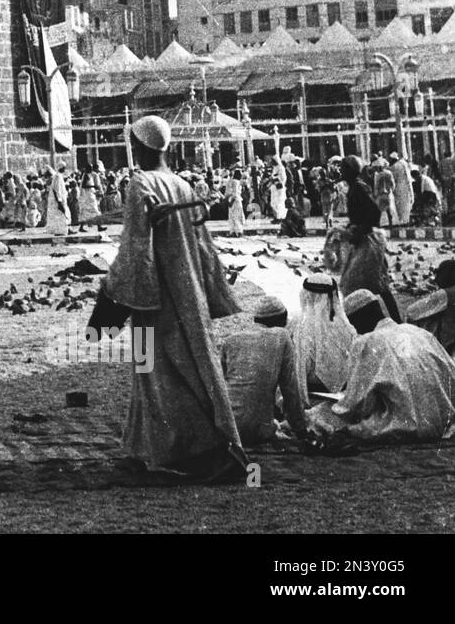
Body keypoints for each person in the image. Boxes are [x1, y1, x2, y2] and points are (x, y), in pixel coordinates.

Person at [103, 115, 246, 483]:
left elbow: (136, 245)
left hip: (156, 293)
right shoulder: (183, 185)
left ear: (139, 146)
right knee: (193, 365)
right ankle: (140, 446)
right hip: (190, 291)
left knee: (152, 371)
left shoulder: (140, 184)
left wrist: (122, 291)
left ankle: (173, 449)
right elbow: (203, 247)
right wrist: (208, 291)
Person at [308, 289, 455, 441]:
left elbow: (357, 405)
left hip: (405, 426)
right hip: (444, 422)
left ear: (359, 320)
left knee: (322, 413)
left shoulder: (367, 341)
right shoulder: (420, 333)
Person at [216, 295, 309, 446]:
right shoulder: (282, 335)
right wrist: (301, 431)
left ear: (255, 320)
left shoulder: (231, 339)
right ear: (283, 320)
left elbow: (222, 383)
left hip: (227, 427)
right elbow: (290, 390)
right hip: (255, 430)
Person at [325, 155, 399, 322]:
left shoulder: (358, 188)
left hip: (367, 240)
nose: (340, 171)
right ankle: (392, 319)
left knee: (359, 282)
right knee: (377, 283)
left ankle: (376, 319)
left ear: (350, 171)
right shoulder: (354, 188)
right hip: (362, 238)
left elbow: (373, 213)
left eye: (343, 168)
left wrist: (359, 232)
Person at [289, 273, 355, 404]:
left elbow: (298, 372)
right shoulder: (347, 325)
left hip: (311, 397)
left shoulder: (300, 325)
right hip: (343, 397)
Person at [45, 163, 69, 236]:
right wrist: (59, 201)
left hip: (61, 199)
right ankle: (60, 231)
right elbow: (56, 189)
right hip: (58, 200)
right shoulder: (58, 176)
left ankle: (65, 229)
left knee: (63, 215)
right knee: (60, 215)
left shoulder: (58, 176)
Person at [373, 156, 397, 227]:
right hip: (388, 193)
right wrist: (392, 190)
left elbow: (376, 185)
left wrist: (376, 194)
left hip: (381, 193)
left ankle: (379, 223)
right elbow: (393, 184)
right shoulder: (389, 173)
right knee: (389, 209)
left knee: (379, 209)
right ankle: (391, 223)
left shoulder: (378, 175)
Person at [390, 152, 413, 226]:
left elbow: (393, 178)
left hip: (399, 186)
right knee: (406, 203)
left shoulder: (394, 166)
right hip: (407, 185)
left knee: (400, 205)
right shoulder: (404, 163)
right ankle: (406, 220)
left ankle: (402, 221)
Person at [226, 166, 246, 236]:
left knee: (233, 216)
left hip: (232, 199)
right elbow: (235, 193)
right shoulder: (236, 182)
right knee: (237, 216)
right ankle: (238, 231)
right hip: (235, 200)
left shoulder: (232, 181)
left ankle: (234, 231)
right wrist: (231, 202)